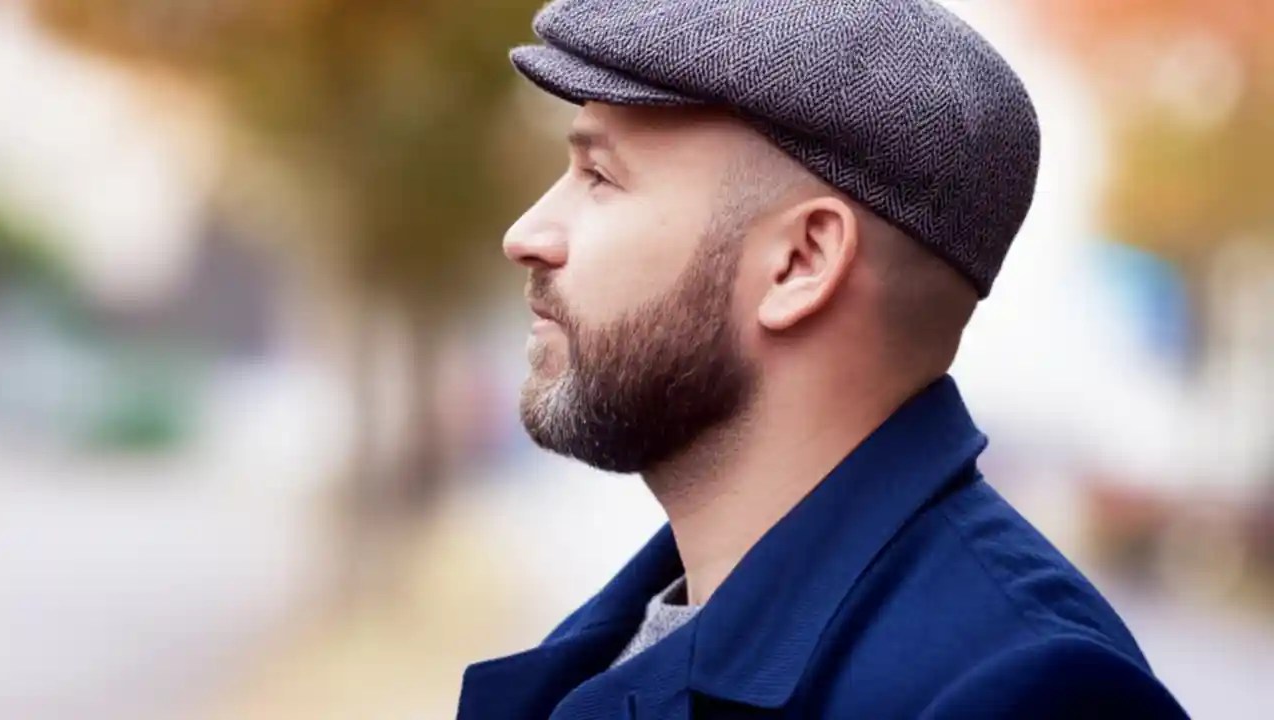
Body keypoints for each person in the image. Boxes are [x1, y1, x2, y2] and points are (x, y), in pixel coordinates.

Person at [459, 0, 1188, 718]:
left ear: (802, 261)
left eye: (600, 177)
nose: (527, 234)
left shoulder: (1026, 692)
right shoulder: (614, 645)